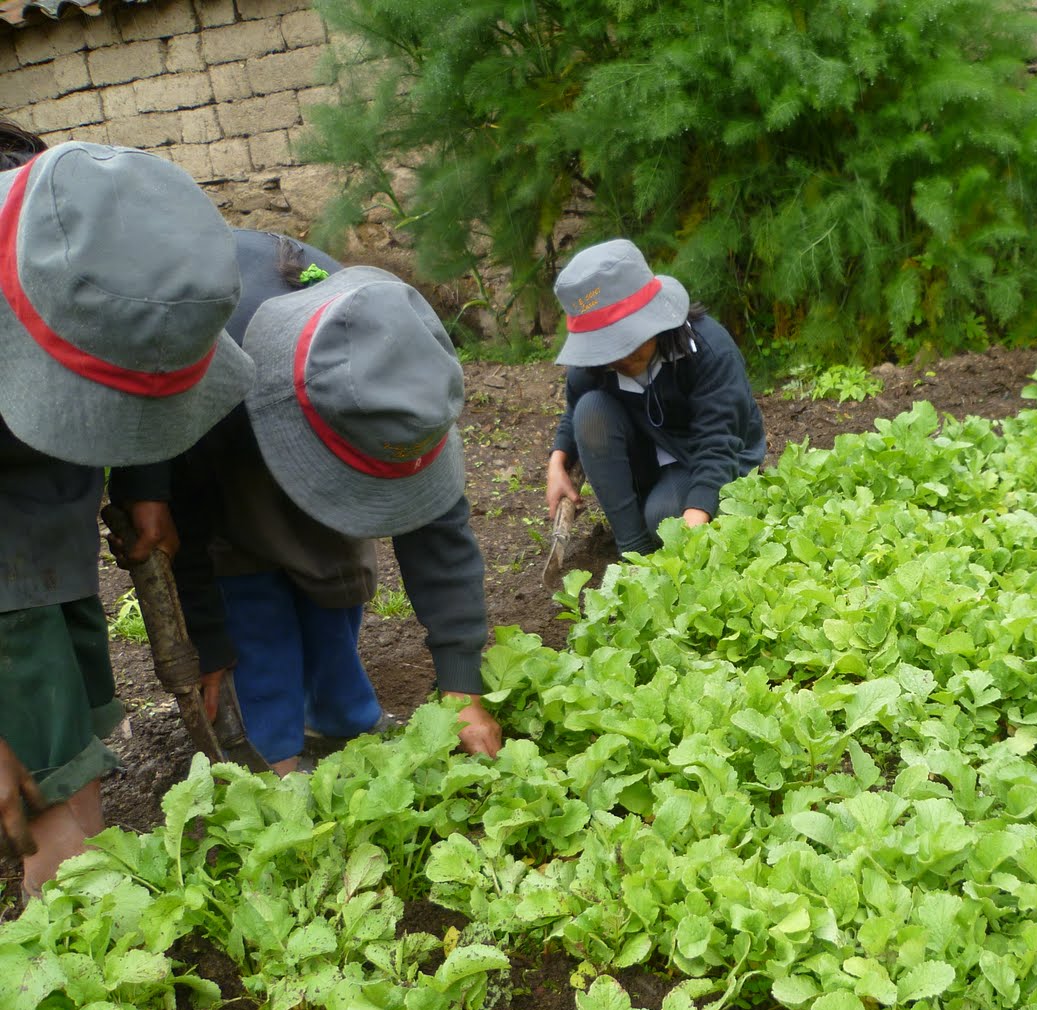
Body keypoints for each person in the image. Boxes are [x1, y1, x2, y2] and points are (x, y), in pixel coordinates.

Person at [0, 139, 253, 896]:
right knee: (40, 802)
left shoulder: (98, 237)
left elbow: (146, 378)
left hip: (54, 518)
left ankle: (83, 841)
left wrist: (146, 481)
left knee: (69, 731)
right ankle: (72, 939)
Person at [169, 230, 502, 774]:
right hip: (219, 434)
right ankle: (271, 745)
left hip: (299, 406)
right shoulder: (215, 360)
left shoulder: (398, 361)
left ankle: (340, 712)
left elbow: (441, 532)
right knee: (249, 590)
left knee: (336, 567)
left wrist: (461, 688)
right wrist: (207, 640)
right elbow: (188, 524)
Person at [545, 239, 765, 554]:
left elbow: (718, 445)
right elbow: (575, 408)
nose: (618, 355)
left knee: (665, 520)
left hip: (711, 455)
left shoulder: (708, 349)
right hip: (649, 455)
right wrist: (557, 462)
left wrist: (697, 514)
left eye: (628, 341)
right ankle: (633, 550)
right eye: (607, 346)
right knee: (590, 410)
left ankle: (658, 528)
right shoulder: (596, 365)